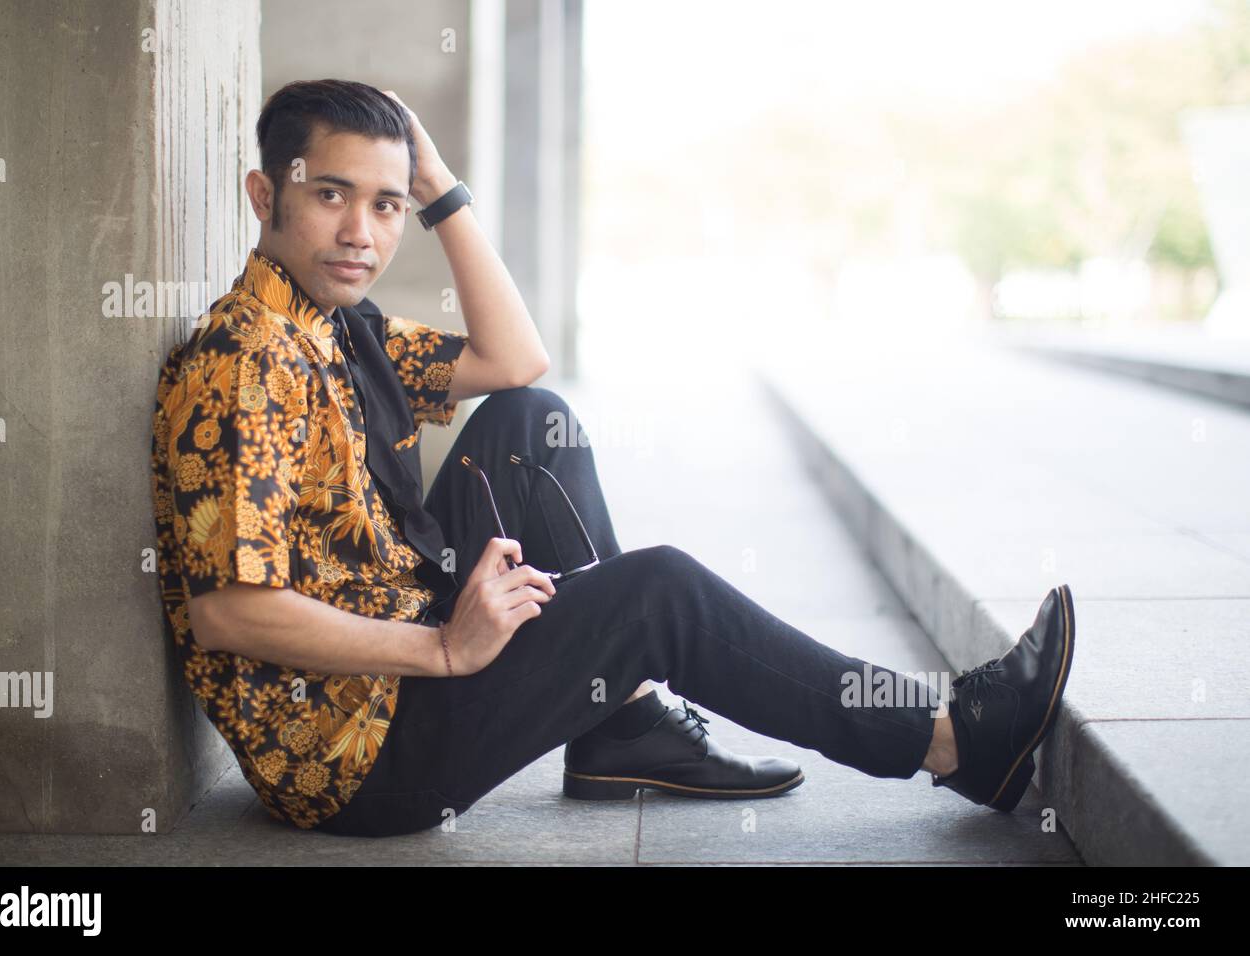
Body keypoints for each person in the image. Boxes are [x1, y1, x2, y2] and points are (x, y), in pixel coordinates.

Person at [150, 79, 1075, 839]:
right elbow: (231, 611)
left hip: (391, 648)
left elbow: (513, 360)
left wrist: (439, 187)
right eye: (330, 194)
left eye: (385, 204)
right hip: (357, 757)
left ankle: (621, 724)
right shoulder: (247, 360)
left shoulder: (333, 325)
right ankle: (952, 740)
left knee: (527, 419)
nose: (362, 232)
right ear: (265, 196)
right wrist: (442, 646)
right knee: (657, 591)